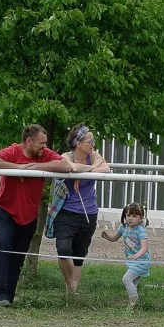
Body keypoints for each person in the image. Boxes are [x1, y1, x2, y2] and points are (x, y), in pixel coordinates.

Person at [0, 124, 70, 306]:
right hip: (4, 209)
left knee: (18, 256)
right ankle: (0, 295)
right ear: (29, 141)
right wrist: (19, 168)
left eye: (46, 143)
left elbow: (64, 165)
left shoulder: (44, 154)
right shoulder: (13, 150)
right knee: (3, 244)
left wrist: (37, 167)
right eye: (41, 143)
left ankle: (9, 296)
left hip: (29, 214)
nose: (45, 146)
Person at [47, 124, 110, 295]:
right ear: (78, 143)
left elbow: (106, 168)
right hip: (66, 212)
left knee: (79, 254)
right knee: (63, 249)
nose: (93, 144)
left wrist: (81, 176)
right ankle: (70, 284)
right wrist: (86, 171)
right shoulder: (66, 156)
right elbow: (72, 167)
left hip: (89, 213)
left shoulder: (94, 155)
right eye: (90, 141)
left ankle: (72, 294)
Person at [101, 202, 150, 308]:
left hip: (142, 261)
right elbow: (114, 238)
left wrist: (136, 255)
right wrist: (107, 236)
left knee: (126, 279)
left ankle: (133, 303)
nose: (130, 218)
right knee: (132, 283)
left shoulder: (141, 231)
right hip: (133, 261)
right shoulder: (123, 227)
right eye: (128, 215)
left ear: (140, 218)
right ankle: (136, 304)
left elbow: (144, 248)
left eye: (134, 216)